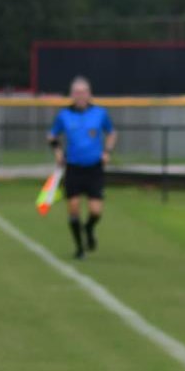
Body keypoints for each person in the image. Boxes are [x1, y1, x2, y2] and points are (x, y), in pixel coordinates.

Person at [48, 77, 116, 260]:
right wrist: (57, 151)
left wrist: (107, 151)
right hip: (73, 168)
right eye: (77, 92)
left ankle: (89, 228)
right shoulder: (64, 115)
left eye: (83, 92)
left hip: (94, 168)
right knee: (74, 207)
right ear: (72, 95)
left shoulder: (100, 113)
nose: (80, 96)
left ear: (89, 94)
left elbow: (111, 133)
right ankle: (79, 248)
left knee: (95, 210)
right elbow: (52, 135)